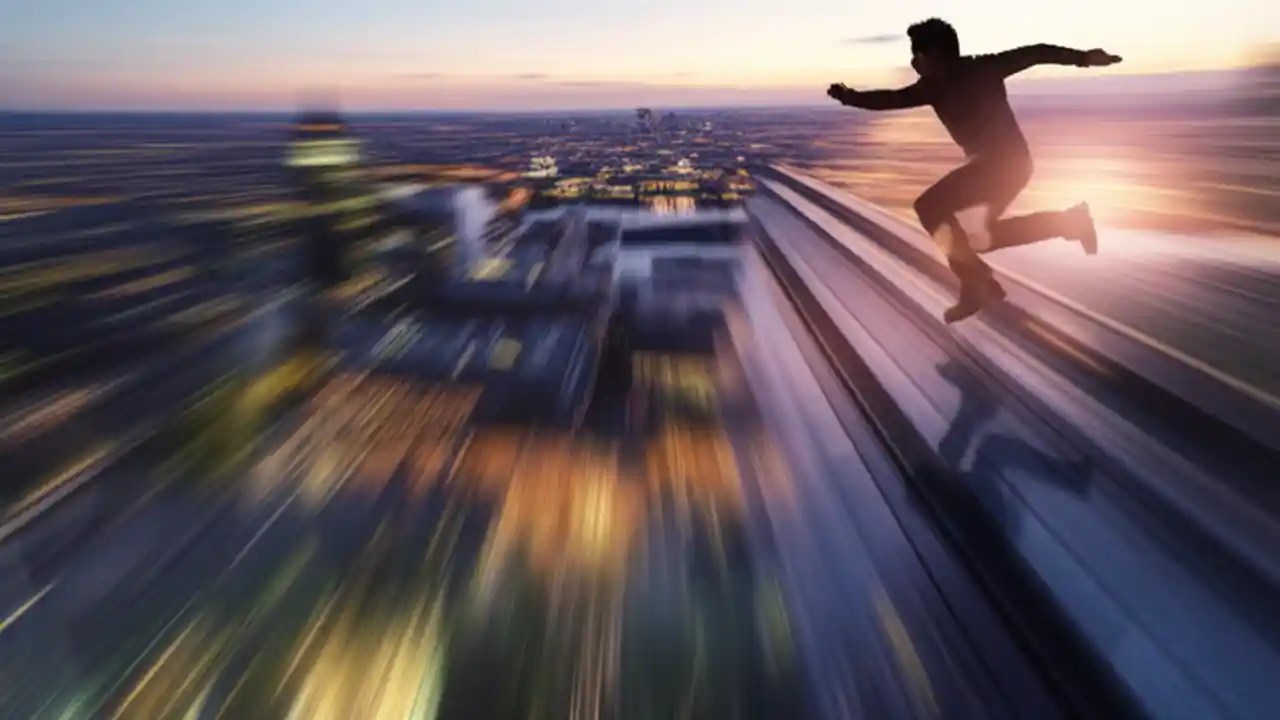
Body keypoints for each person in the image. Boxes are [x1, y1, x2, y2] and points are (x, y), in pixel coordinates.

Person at [828, 18, 1122, 322]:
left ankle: (976, 284)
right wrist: (850, 97)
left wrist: (1083, 58)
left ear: (938, 56)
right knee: (983, 236)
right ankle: (1068, 223)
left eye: (919, 56)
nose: (914, 63)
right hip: (1004, 166)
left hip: (1003, 164)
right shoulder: (932, 87)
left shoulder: (983, 68)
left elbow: (1036, 52)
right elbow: (890, 99)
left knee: (929, 206)